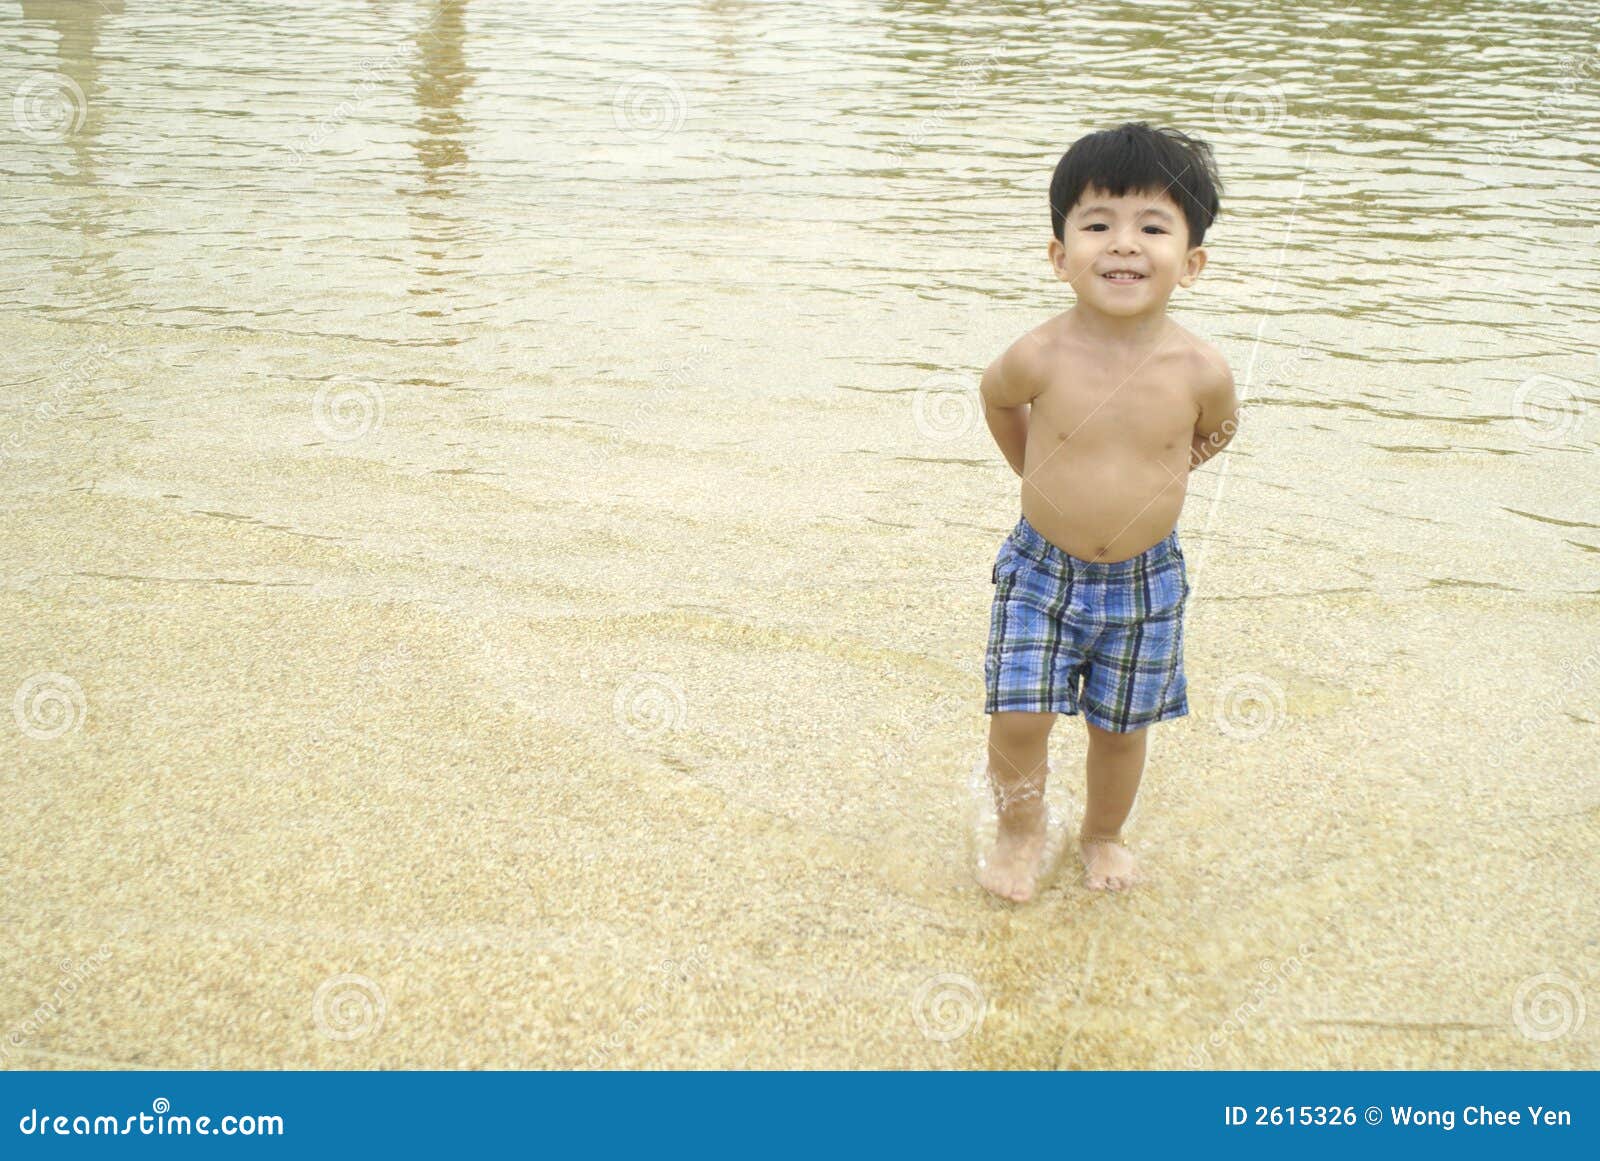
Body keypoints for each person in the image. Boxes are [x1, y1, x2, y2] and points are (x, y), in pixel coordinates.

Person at [976, 122, 1239, 902]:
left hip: (1146, 580)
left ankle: (1103, 833)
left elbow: (1219, 429)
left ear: (1190, 263)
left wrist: (1168, 474)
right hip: (1041, 569)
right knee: (1019, 714)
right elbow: (996, 398)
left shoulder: (1200, 368)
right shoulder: (1042, 353)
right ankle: (1020, 833)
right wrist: (1033, 468)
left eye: (1152, 227)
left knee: (1121, 727)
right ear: (1061, 256)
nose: (1123, 244)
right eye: (1097, 225)